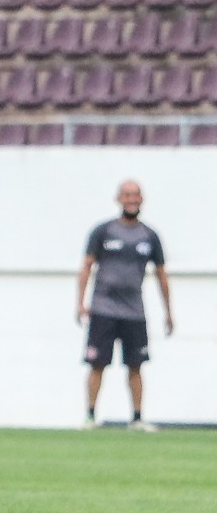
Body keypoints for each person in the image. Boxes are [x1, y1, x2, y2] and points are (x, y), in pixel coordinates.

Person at [77, 180, 173, 431]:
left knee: (136, 365)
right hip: (103, 309)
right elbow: (86, 266)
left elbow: (162, 275)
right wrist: (81, 303)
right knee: (97, 364)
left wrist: (168, 312)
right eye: (127, 194)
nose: (131, 199)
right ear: (118, 198)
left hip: (134, 312)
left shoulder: (150, 236)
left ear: (142, 199)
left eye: (136, 195)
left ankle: (137, 418)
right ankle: (90, 416)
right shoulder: (103, 231)